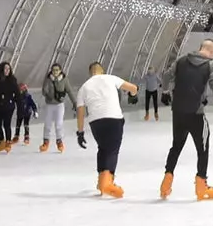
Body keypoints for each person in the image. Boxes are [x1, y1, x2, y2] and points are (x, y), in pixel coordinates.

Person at [162, 38, 213, 201]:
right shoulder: (211, 64)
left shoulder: (181, 60)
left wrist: (165, 91)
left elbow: (167, 75)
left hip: (178, 111)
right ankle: (201, 186)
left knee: (176, 147)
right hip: (196, 113)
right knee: (202, 149)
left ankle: (166, 184)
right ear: (212, 51)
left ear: (200, 48)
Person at [75, 62, 139, 199]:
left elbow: (80, 111)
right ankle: (107, 182)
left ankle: (101, 180)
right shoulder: (111, 78)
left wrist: (80, 132)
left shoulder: (84, 87)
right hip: (114, 118)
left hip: (96, 122)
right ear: (102, 71)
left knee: (103, 148)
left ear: (90, 72)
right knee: (112, 150)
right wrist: (133, 95)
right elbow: (133, 88)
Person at [39, 63, 74, 153]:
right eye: (53, 70)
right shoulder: (48, 79)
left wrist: (74, 102)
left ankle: (59, 141)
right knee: (47, 124)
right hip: (50, 104)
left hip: (59, 105)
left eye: (57, 70)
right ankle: (46, 141)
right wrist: (46, 91)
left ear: (60, 70)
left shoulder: (64, 80)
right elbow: (44, 91)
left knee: (59, 124)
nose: (55, 72)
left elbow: (69, 91)